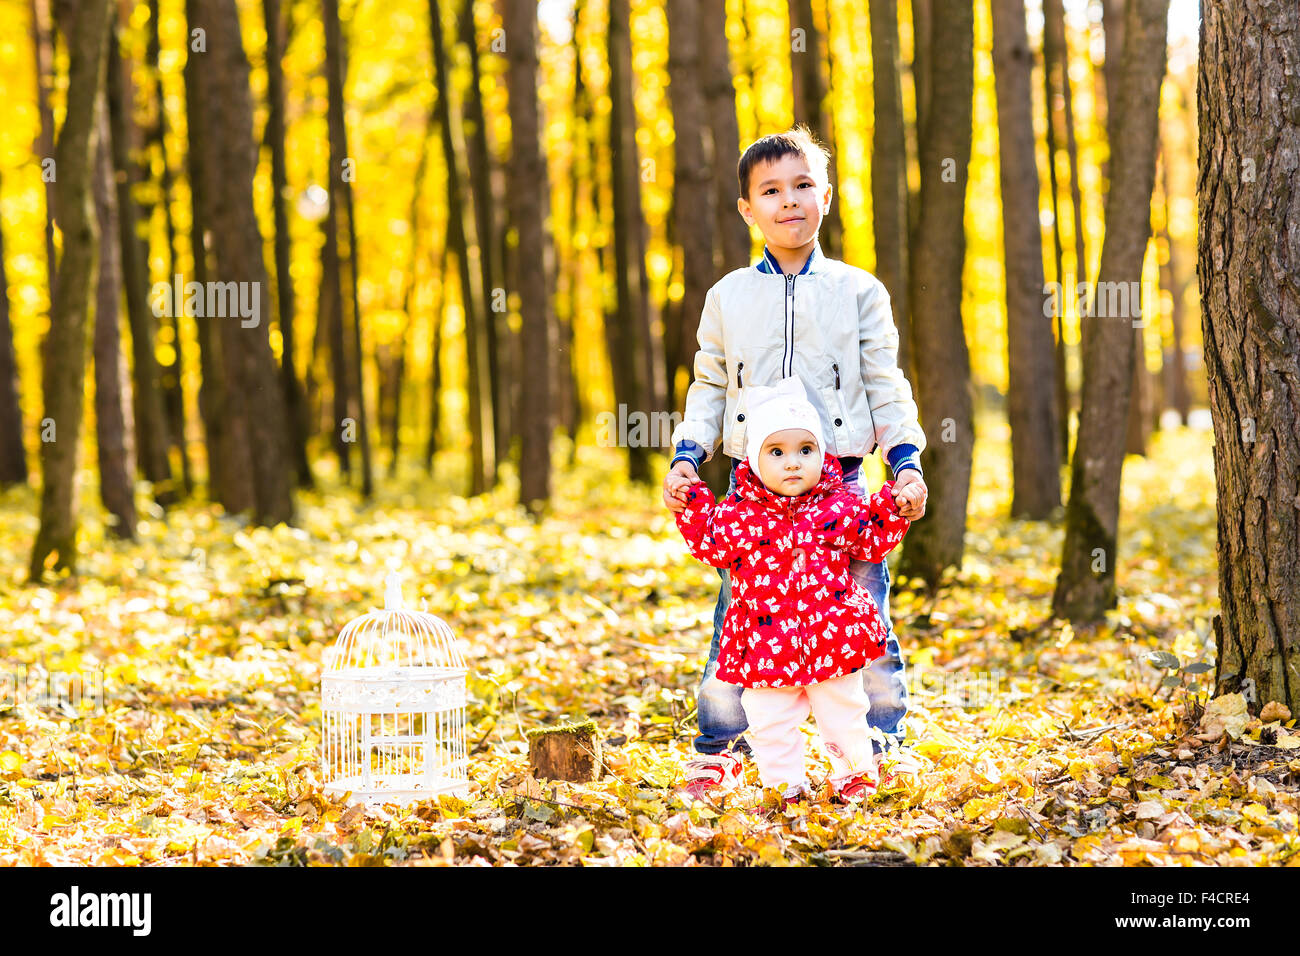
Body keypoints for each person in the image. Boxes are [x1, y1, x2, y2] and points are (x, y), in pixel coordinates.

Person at [662, 125, 928, 799]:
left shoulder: (857, 291)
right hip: (753, 489)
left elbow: (884, 382)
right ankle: (719, 746)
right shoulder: (729, 296)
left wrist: (905, 461)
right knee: (737, 619)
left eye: (803, 186)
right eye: (771, 191)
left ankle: (881, 744)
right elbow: (710, 385)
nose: (790, 202)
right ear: (748, 210)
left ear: (827, 197)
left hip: (839, 480)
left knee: (865, 611)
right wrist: (689, 454)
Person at [669, 378, 910, 802]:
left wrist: (895, 504)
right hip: (765, 644)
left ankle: (855, 773)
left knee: (844, 709)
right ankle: (785, 786)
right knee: (768, 719)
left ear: (822, 454)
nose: (793, 463)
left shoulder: (837, 506)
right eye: (776, 452)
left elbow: (872, 534)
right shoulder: (738, 516)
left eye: (805, 450)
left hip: (831, 639)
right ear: (757, 461)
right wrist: (691, 502)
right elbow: (709, 539)